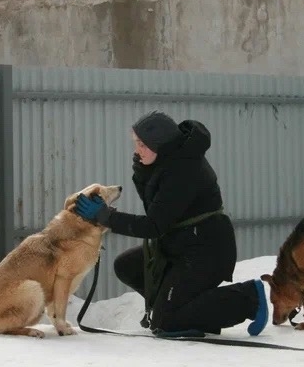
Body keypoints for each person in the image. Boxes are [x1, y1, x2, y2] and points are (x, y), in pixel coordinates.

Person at [73, 110, 268, 337]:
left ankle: (248, 298)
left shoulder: (184, 171)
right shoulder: (168, 160)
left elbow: (154, 225)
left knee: (167, 322)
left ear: (160, 144)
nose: (137, 150)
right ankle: (177, 310)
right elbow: (157, 209)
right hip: (180, 244)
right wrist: (142, 172)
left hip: (206, 251)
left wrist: (107, 217)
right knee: (126, 266)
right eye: (136, 143)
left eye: (142, 145)